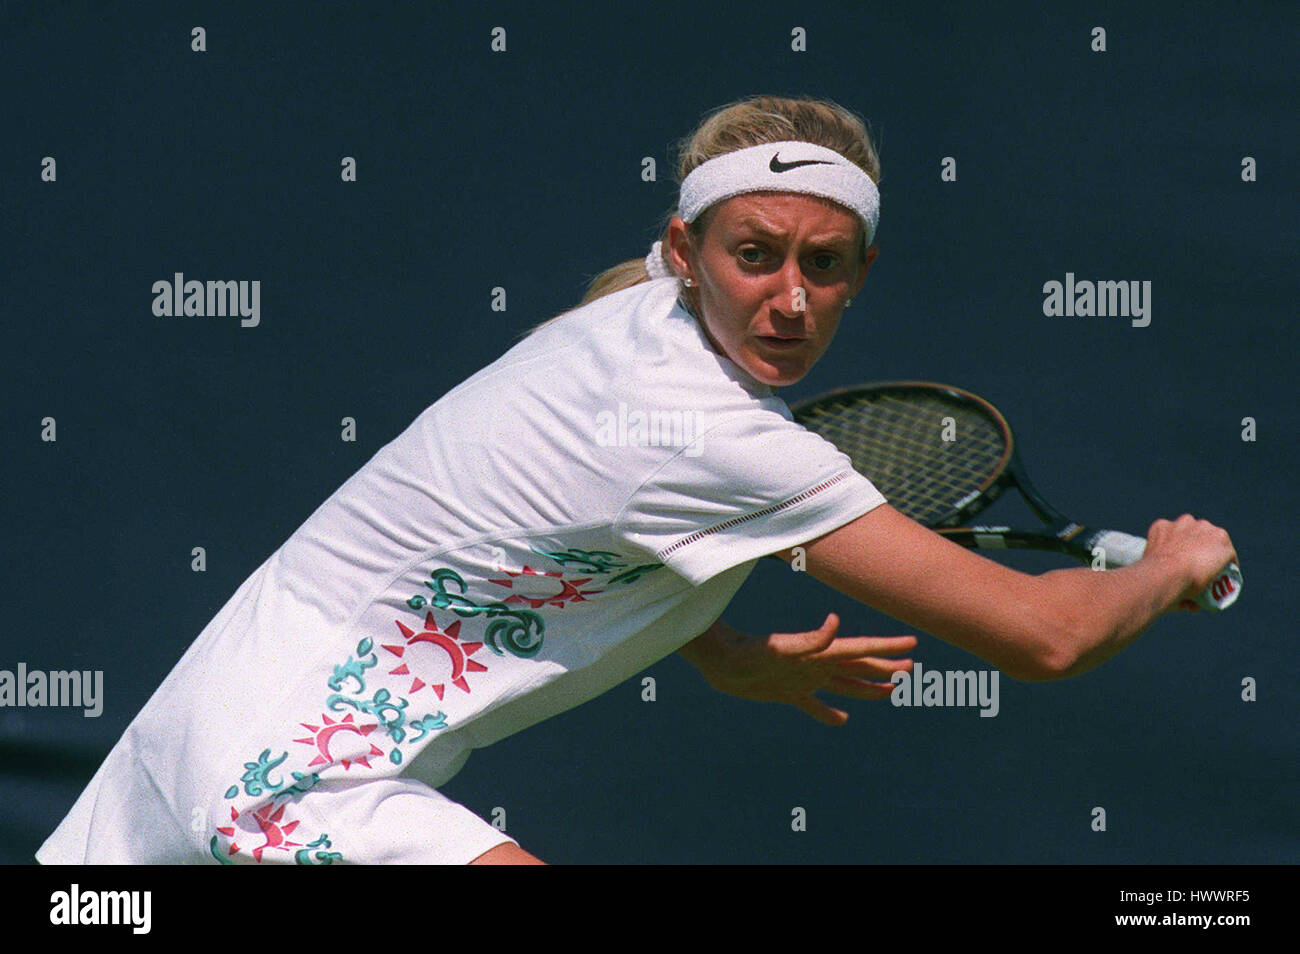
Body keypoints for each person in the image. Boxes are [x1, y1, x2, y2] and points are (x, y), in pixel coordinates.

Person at [36, 95, 1237, 866]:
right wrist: (1177, 560)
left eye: (822, 264)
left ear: (862, 268)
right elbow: (1045, 637)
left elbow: (562, 537)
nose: (790, 297)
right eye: (752, 256)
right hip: (286, 789)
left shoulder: (621, 319)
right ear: (686, 249)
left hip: (180, 767)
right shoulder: (727, 446)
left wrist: (712, 642)